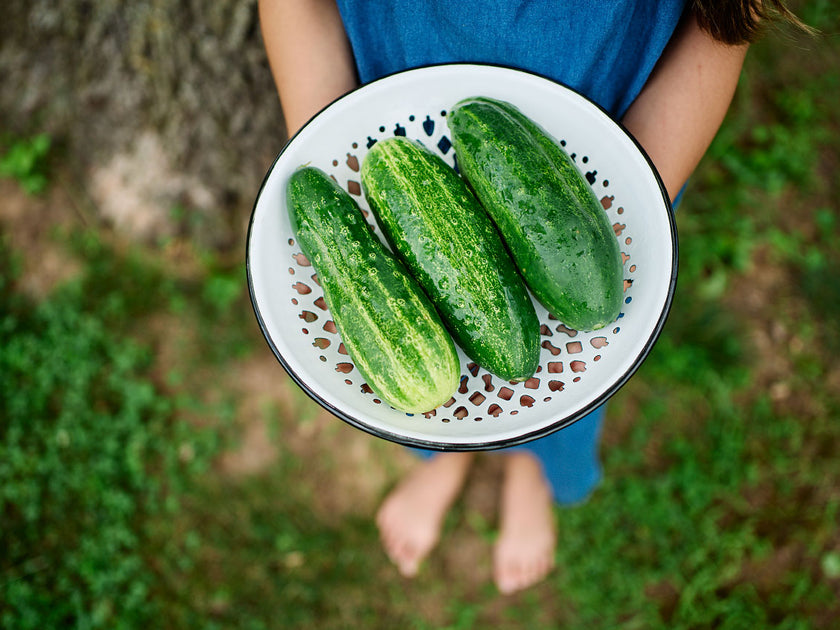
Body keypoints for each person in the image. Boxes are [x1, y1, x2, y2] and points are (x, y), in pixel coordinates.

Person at [257, 0, 801, 595]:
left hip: (604, 151)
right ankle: (453, 454)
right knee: (455, 396)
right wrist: (327, 161)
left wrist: (615, 211)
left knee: (574, 363)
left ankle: (528, 467)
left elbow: (722, 29)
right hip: (396, 111)